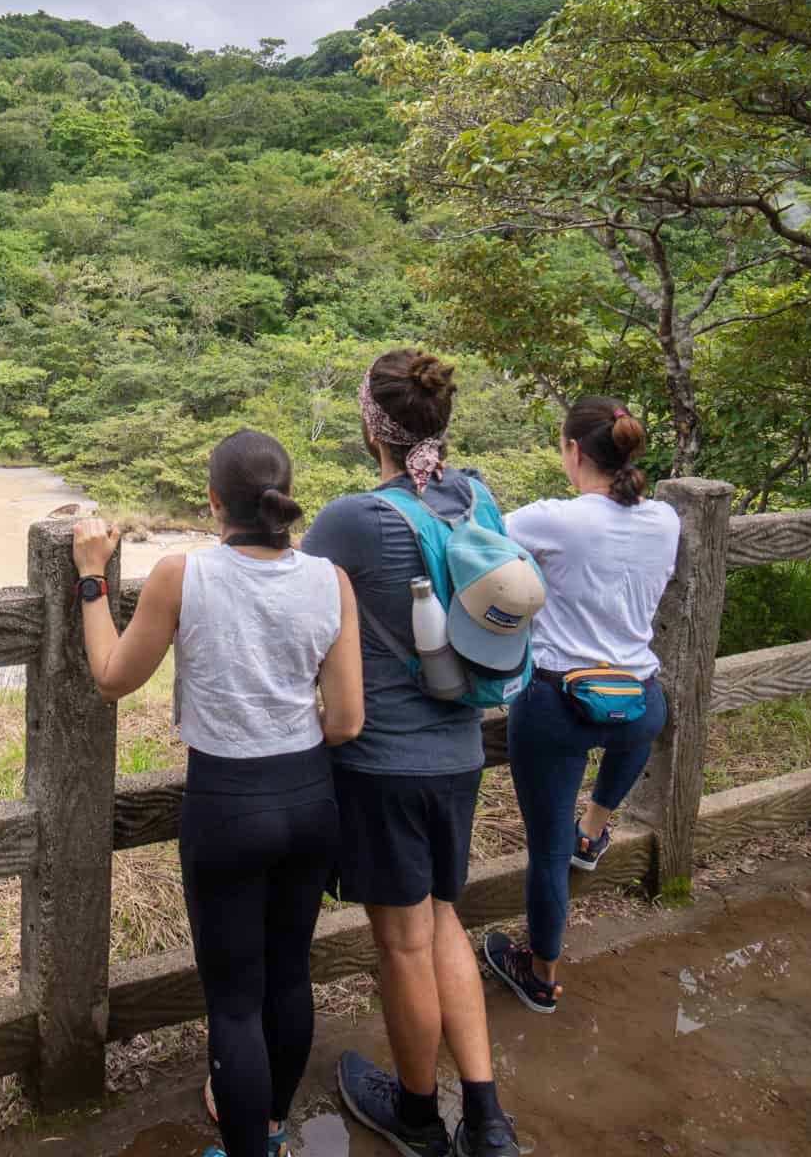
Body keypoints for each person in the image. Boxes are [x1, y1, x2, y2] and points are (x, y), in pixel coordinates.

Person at [71, 429, 364, 1157]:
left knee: (234, 1002)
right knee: (288, 977)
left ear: (213, 501)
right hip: (309, 796)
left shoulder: (183, 575)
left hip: (227, 803)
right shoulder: (330, 580)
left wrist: (91, 578)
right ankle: (272, 1129)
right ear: (285, 498)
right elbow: (347, 721)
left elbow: (110, 678)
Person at [301, 350, 523, 1157]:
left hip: (383, 764)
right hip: (459, 752)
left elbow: (293, 607)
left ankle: (420, 1113)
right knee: (443, 921)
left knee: (401, 942)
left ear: (372, 428)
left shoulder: (353, 519)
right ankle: (488, 1120)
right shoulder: (477, 497)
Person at [479, 397, 679, 1015]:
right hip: (638, 702)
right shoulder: (666, 519)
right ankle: (591, 833)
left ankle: (539, 974)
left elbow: (477, 542)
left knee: (545, 853)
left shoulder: (553, 520)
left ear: (572, 451)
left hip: (558, 705)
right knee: (638, 725)